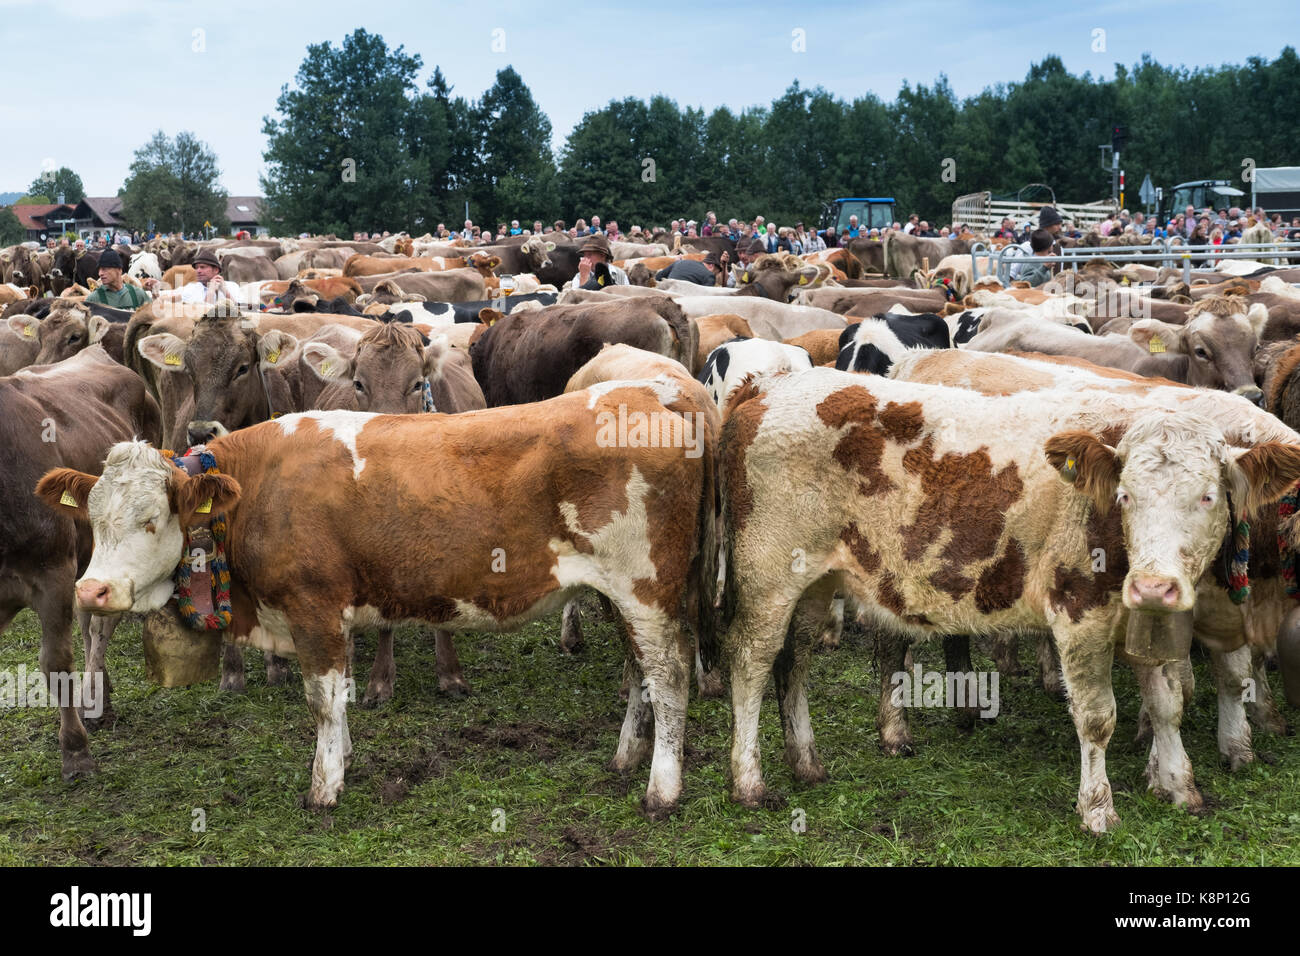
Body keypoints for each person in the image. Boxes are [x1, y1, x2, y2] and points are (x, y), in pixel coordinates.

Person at [159, 248, 242, 305]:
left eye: (202, 267)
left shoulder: (232, 286)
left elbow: (242, 311)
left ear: (216, 270)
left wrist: (225, 291)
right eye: (196, 268)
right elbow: (204, 318)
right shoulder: (191, 288)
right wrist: (210, 292)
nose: (198, 271)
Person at [85, 249, 150, 309]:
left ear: (119, 270)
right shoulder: (94, 299)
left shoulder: (137, 294)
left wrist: (156, 294)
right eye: (99, 270)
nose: (100, 273)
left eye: (105, 269)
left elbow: (155, 315)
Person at [655, 251, 723, 286]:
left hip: (667, 292)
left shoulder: (680, 262)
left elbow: (658, 277)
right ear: (711, 266)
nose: (715, 276)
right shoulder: (709, 276)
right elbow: (705, 296)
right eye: (715, 273)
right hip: (682, 299)